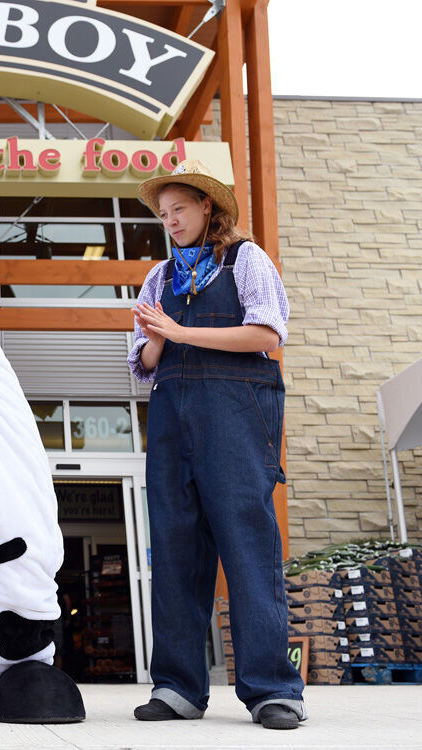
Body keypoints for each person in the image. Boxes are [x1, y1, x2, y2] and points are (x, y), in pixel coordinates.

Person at [128, 161, 306, 730]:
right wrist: (157, 339)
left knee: (247, 545)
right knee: (176, 548)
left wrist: (179, 332)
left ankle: (274, 690)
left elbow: (267, 335)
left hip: (236, 410)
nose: (170, 221)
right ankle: (178, 687)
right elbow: (142, 366)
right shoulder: (158, 278)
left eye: (179, 209)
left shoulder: (246, 260)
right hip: (173, 413)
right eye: (163, 214)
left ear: (208, 207)